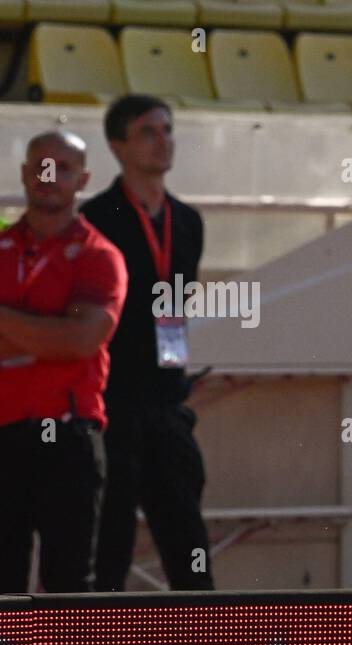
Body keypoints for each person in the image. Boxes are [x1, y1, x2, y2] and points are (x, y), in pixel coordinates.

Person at [81, 95, 215, 591]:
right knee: (108, 543)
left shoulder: (188, 221)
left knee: (188, 540)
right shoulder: (95, 219)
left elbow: (177, 307)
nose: (163, 141)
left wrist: (176, 382)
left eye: (168, 129)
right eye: (147, 132)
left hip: (164, 402)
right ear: (117, 146)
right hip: (111, 402)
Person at [0, 131, 127, 593]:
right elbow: (63, 337)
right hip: (3, 432)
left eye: (63, 167)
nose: (47, 176)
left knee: (69, 584)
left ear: (83, 179)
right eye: (39, 165)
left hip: (68, 435)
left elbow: (79, 339)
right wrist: (42, 331)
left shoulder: (99, 256)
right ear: (23, 173)